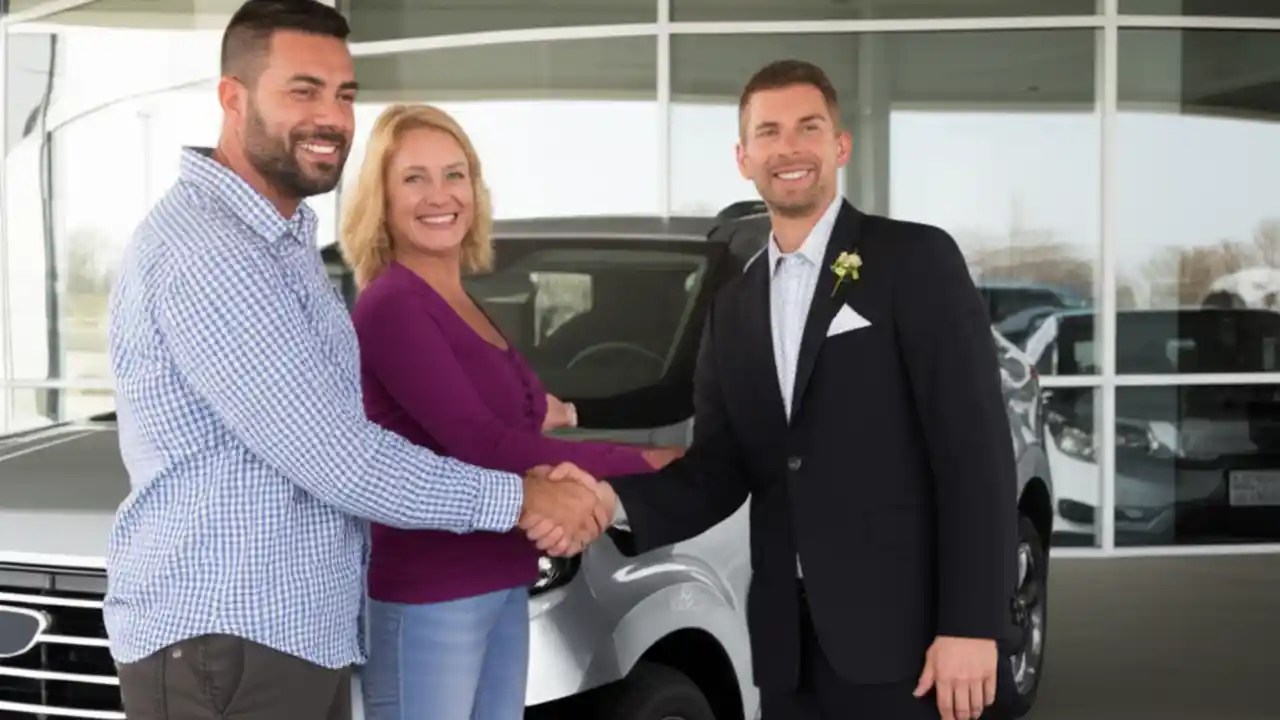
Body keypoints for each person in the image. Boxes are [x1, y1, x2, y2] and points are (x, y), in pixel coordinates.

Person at [103, 3, 604, 719]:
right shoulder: (210, 251)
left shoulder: (281, 242)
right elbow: (340, 458)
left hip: (288, 637)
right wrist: (523, 498)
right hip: (229, 642)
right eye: (303, 90)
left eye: (344, 95)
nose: (332, 117)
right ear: (232, 98)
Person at [534, 59, 1020, 720]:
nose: (787, 148)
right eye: (768, 133)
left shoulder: (915, 260)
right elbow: (720, 468)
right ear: (743, 157)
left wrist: (972, 623)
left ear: (839, 145)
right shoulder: (732, 304)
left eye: (807, 127)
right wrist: (610, 499)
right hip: (786, 650)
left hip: (909, 641)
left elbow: (976, 455)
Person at [337, 103, 681, 720]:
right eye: (413, 177)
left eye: (455, 174)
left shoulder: (460, 297)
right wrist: (643, 460)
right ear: (380, 198)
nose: (439, 195)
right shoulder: (392, 304)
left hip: (504, 574)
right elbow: (482, 444)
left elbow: (525, 414)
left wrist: (574, 417)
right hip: (430, 592)